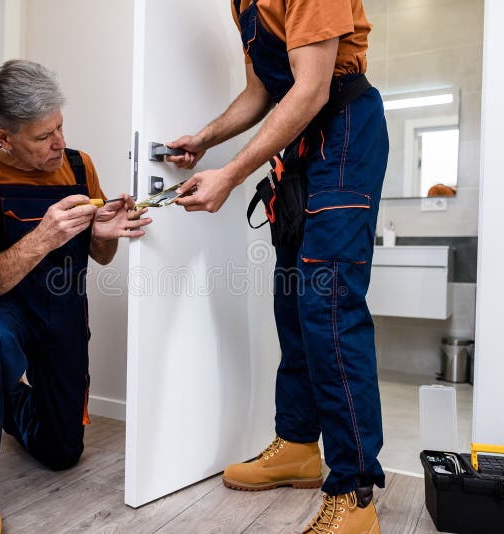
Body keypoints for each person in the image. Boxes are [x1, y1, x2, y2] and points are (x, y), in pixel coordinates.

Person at [167, 1, 388, 532]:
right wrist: (204, 141)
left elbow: (311, 88)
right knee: (291, 302)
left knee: (328, 305)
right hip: (302, 145)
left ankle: (354, 493)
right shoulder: (241, 3)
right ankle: (296, 445)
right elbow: (261, 92)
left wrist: (231, 174)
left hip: (344, 135)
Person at [0, 59, 150, 534]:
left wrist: (105, 233)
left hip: (63, 311)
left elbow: (102, 256)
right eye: (42, 137)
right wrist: (40, 239)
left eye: (60, 127)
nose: (59, 143)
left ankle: (9, 404)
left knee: (63, 453)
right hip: (2, 312)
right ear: (5, 138)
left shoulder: (78, 165)